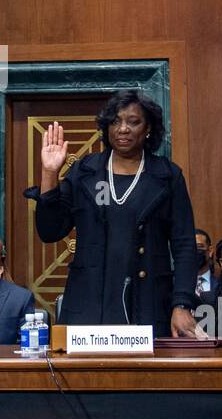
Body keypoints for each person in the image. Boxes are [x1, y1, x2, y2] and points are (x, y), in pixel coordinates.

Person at [25, 89, 200, 337]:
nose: (123, 128)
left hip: (148, 301)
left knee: (146, 375)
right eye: (115, 121)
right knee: (85, 376)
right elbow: (50, 230)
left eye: (133, 121)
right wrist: (49, 174)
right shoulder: (85, 171)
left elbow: (184, 245)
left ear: (148, 128)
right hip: (88, 303)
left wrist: (182, 303)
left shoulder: (167, 175)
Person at [194, 229, 216, 299]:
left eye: (199, 247)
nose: (193, 251)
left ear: (210, 251)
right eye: (190, 248)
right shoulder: (175, 284)